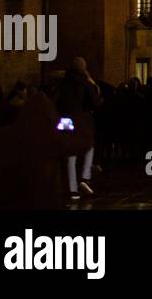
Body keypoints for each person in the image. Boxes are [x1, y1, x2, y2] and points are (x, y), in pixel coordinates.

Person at [0, 91, 94, 209]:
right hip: (42, 196)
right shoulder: (47, 136)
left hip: (11, 196)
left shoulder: (5, 134)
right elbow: (82, 143)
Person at [55, 57, 101, 200]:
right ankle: (84, 178)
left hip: (65, 120)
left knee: (70, 154)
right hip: (81, 120)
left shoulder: (62, 83)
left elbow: (56, 101)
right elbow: (95, 102)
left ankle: (72, 189)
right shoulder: (85, 83)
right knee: (89, 147)